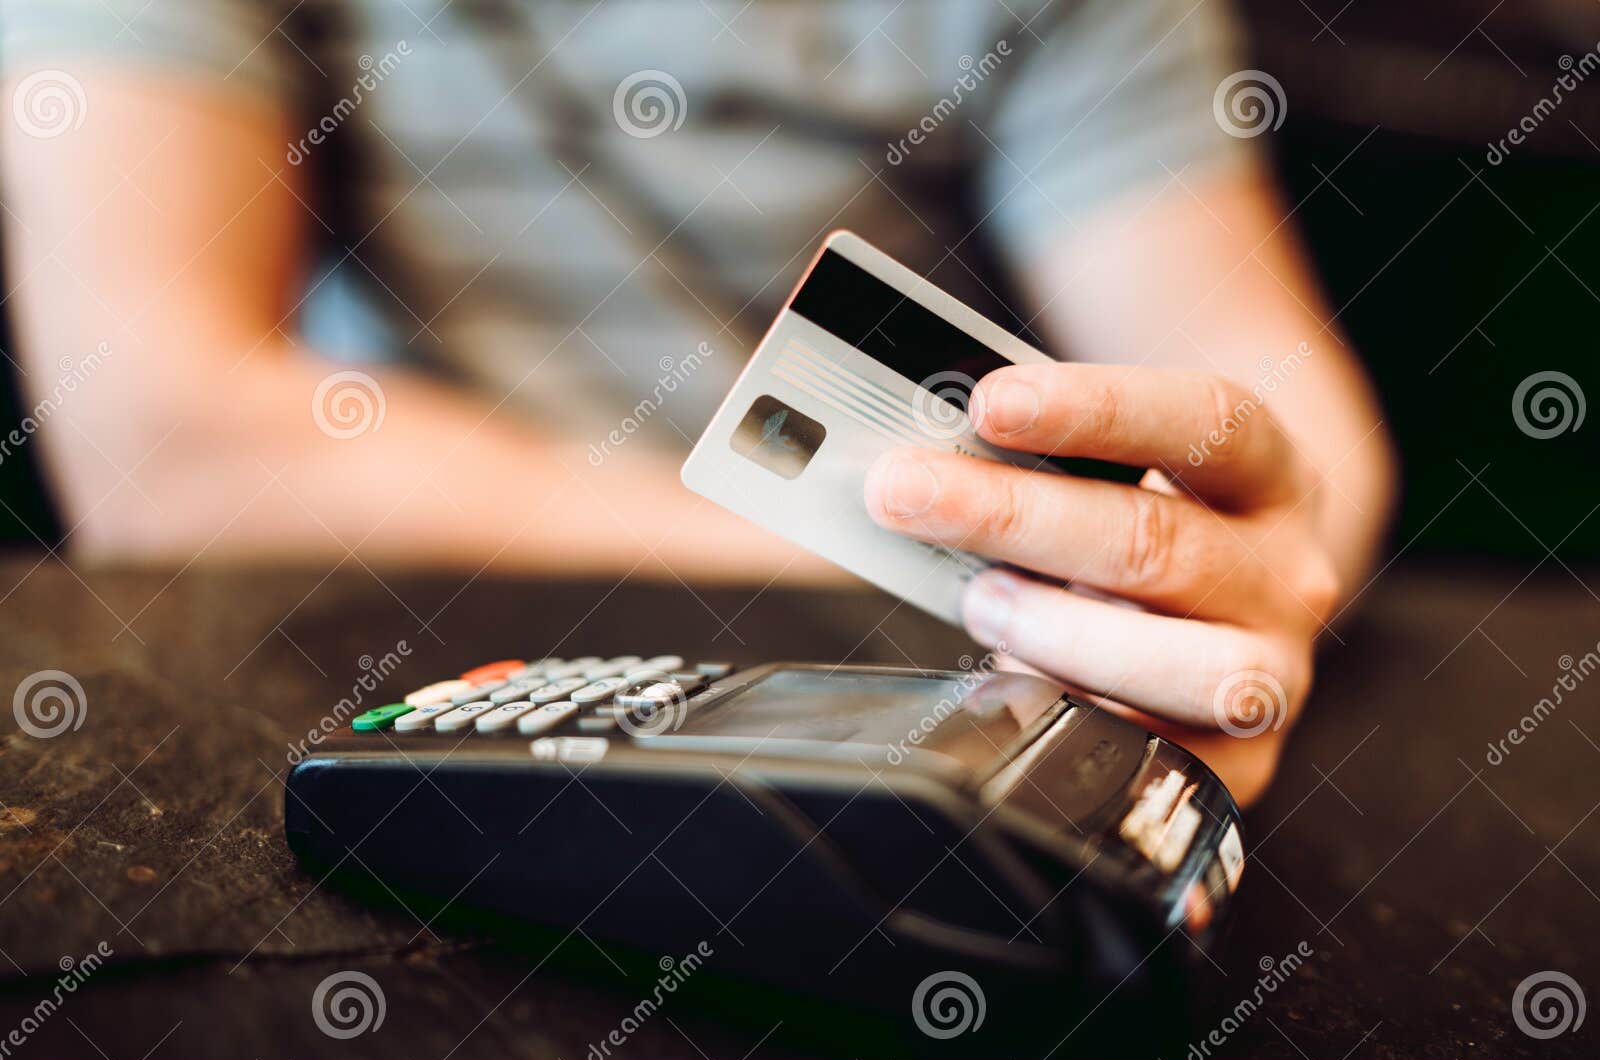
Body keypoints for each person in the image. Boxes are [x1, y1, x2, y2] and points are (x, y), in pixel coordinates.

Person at [0, 1, 1396, 803]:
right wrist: (939, 552)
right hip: (400, 659)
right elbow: (156, 435)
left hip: (911, 672)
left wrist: (1240, 555)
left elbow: (1282, 416)